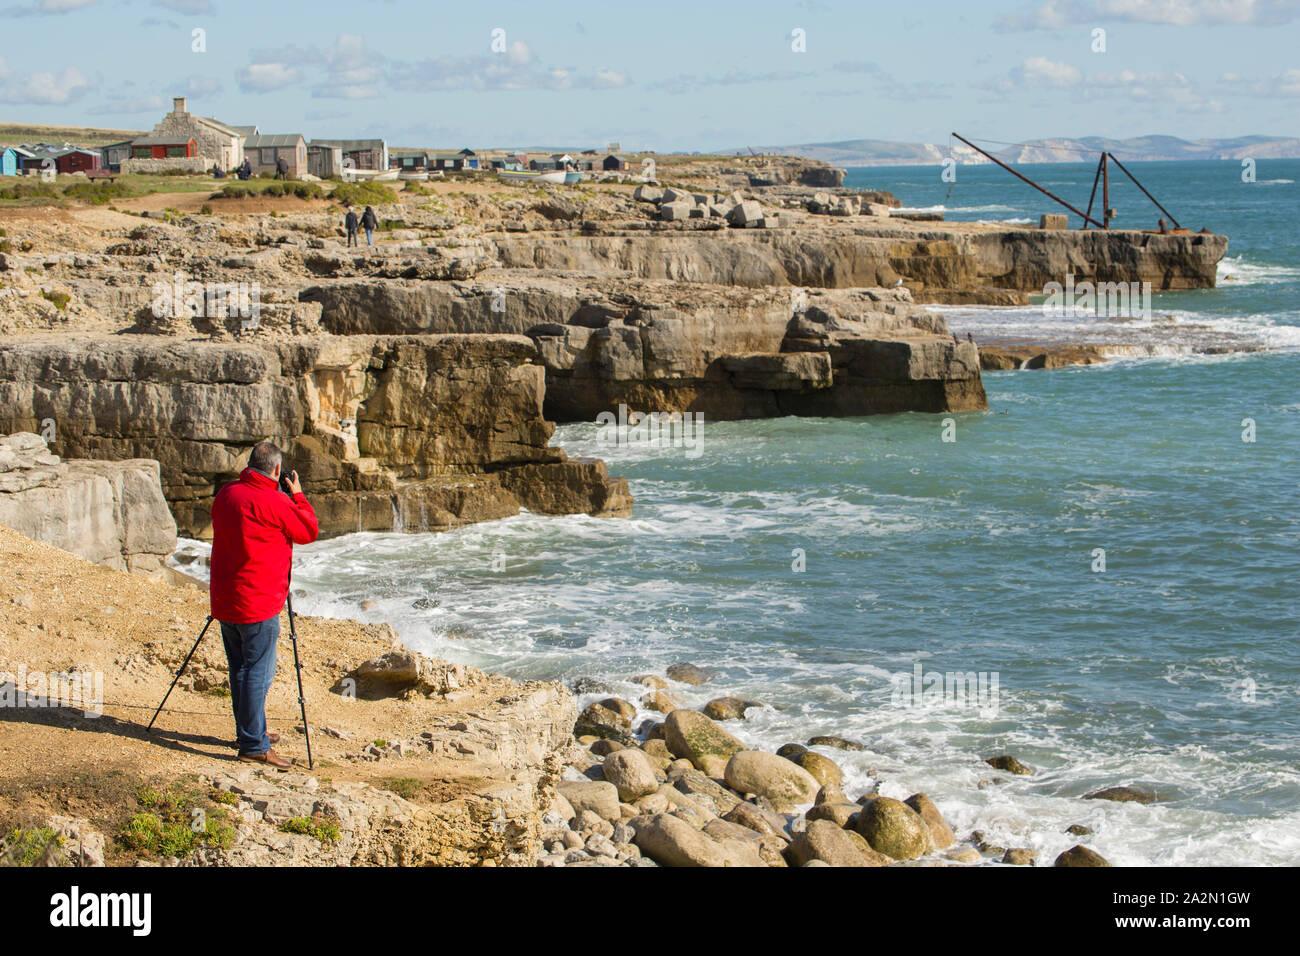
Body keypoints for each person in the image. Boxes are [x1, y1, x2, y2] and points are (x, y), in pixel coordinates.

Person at [209, 441, 319, 770]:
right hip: (258, 602)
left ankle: (250, 734)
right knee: (258, 673)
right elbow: (308, 531)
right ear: (276, 470)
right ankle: (255, 745)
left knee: (240, 669)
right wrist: (296, 494)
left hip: (226, 599)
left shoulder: (227, 494)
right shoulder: (276, 501)